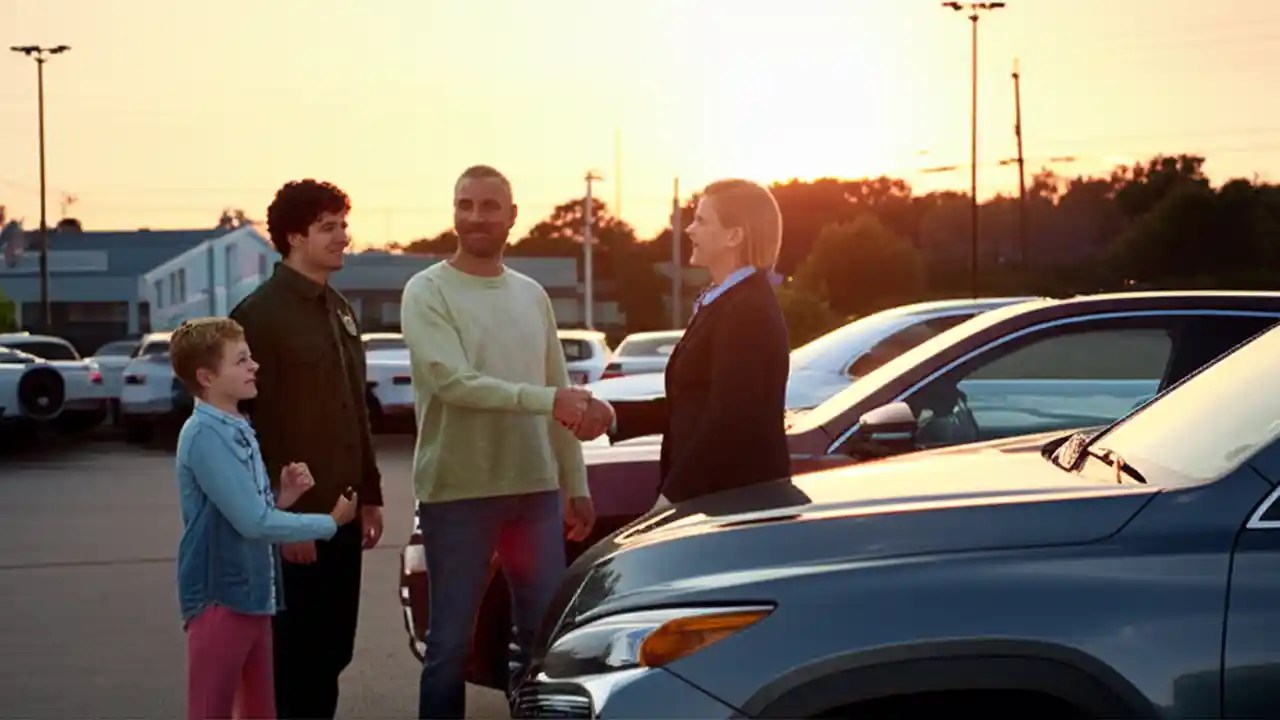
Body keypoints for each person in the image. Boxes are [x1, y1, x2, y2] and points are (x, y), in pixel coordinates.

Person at [400, 164, 597, 719]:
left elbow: (559, 386)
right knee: (449, 647)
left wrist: (574, 482)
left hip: (533, 492)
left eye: (489, 206)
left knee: (541, 642)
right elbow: (452, 382)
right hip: (457, 493)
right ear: (454, 211)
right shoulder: (427, 290)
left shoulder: (532, 295)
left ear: (512, 216)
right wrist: (546, 401)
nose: (476, 216)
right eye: (465, 205)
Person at [229, 179, 384, 719]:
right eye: (329, 227)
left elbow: (354, 409)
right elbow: (243, 428)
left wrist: (370, 493)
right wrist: (279, 515)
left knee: (332, 653)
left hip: (341, 514)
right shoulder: (258, 317)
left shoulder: (339, 308)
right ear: (294, 237)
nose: (344, 236)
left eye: (343, 224)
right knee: (294, 660)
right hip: (292, 521)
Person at [171, 317, 359, 720]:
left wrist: (285, 496)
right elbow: (253, 523)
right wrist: (330, 522)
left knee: (260, 711)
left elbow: (248, 509)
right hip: (220, 598)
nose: (254, 366)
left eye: (250, 357)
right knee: (210, 710)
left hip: (256, 598)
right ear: (206, 376)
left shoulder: (238, 426)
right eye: (240, 360)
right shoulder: (204, 435)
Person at [585, 178, 790, 507]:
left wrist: (672, 500)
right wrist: (613, 416)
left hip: (730, 506)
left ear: (734, 236)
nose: (690, 230)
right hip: (718, 501)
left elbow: (727, 420)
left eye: (701, 220)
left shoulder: (746, 310)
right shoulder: (727, 301)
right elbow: (695, 406)